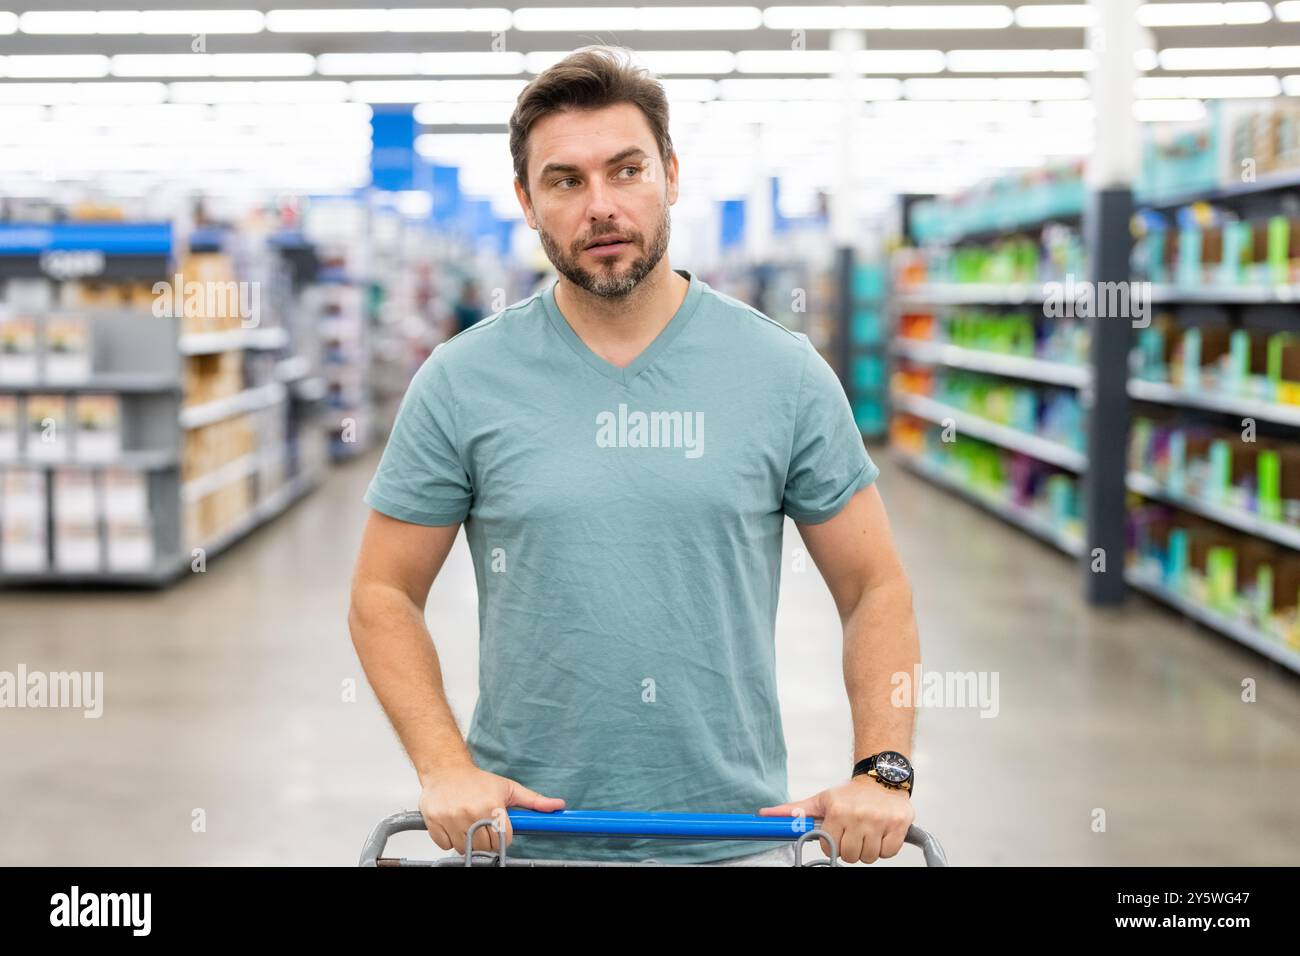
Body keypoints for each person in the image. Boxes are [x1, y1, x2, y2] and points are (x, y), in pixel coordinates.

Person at [348, 45, 922, 866]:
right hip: (525, 836)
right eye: (566, 180)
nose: (602, 206)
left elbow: (875, 587)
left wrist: (884, 770)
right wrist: (444, 765)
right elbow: (381, 591)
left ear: (672, 175)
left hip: (736, 835)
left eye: (627, 171)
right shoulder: (461, 379)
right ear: (526, 199)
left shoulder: (782, 372)